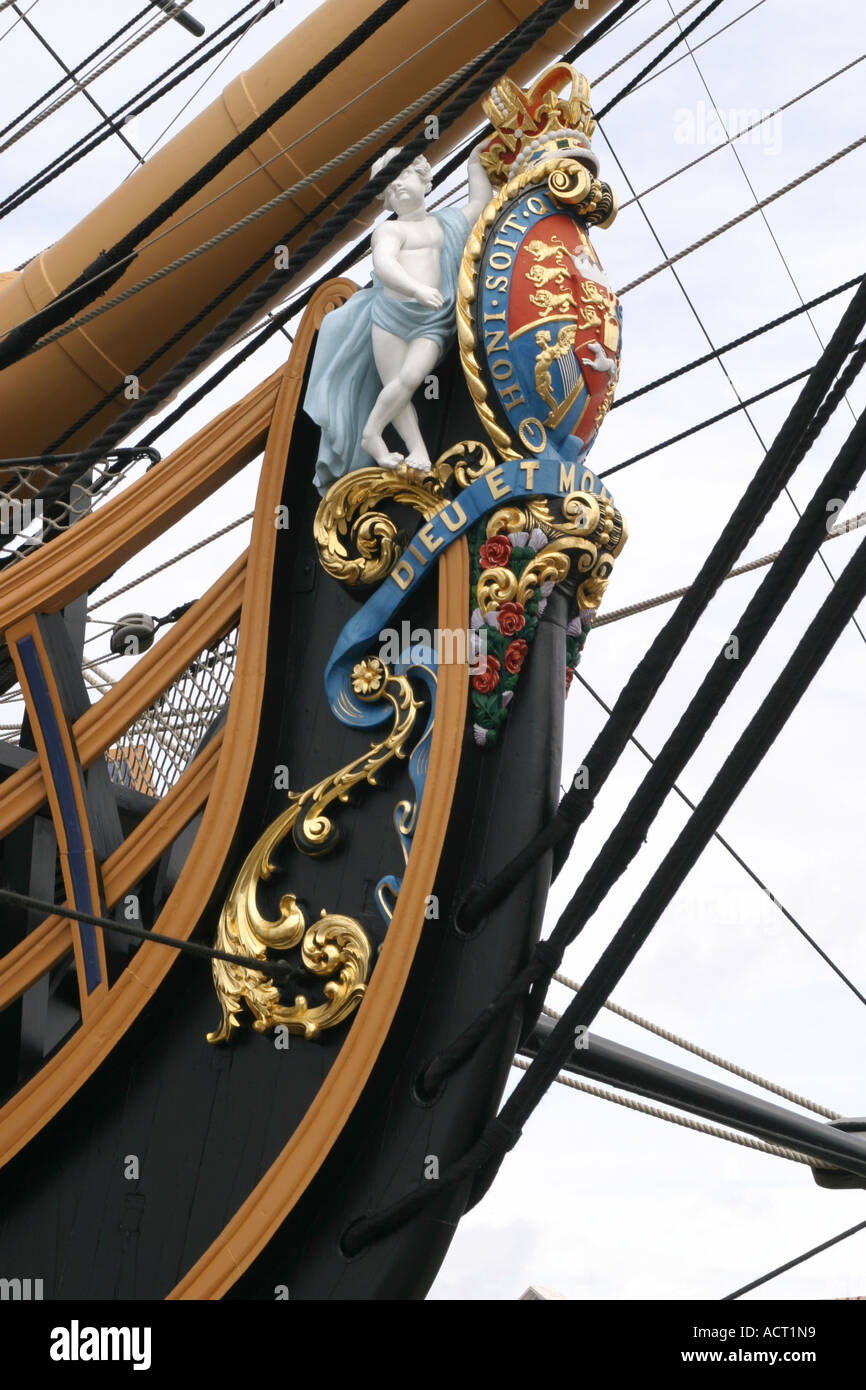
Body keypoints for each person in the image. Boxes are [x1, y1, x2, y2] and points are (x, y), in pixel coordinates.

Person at [305, 144, 492, 493]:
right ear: (387, 201)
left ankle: (371, 432)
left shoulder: (445, 223)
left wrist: (474, 162)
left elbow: (479, 204)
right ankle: (416, 449)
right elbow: (385, 265)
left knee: (409, 377)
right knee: (398, 388)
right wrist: (417, 289)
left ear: (424, 180)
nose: (398, 186)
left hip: (433, 322)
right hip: (391, 316)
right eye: (390, 186)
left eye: (404, 175)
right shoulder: (389, 231)